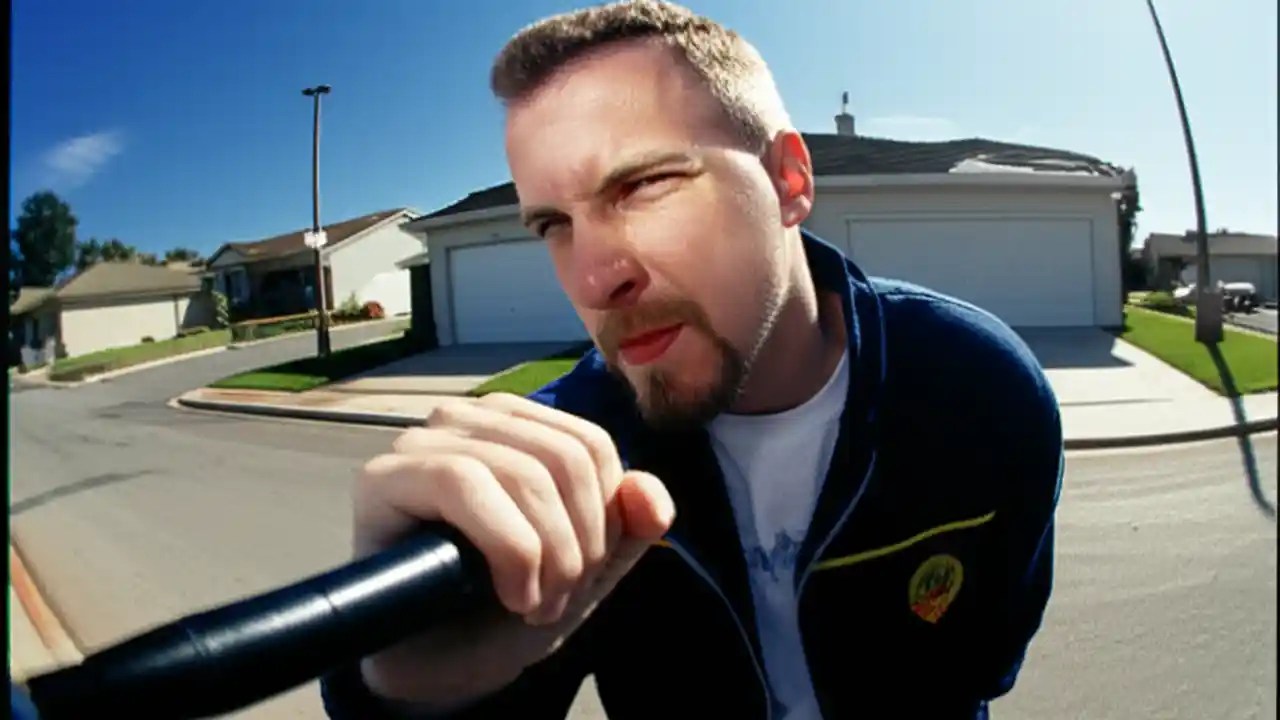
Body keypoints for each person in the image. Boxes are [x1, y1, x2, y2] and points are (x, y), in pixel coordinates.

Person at [321, 2, 1063, 718]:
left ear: (789, 182)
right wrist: (418, 696)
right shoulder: (565, 461)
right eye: (553, 224)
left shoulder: (978, 387)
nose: (592, 280)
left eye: (643, 185)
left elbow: (987, 661)